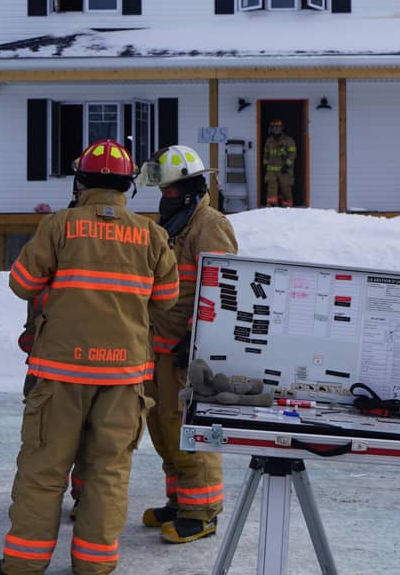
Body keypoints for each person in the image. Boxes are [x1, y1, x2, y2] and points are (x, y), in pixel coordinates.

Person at [0, 140, 179, 575]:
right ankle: (94, 567)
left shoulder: (59, 226)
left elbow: (21, 283)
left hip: (59, 374)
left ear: (81, 181)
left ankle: (23, 567)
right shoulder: (150, 233)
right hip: (124, 377)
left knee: (43, 470)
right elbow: (167, 298)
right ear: (127, 187)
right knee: (107, 474)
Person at [136, 144, 238, 543]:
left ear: (192, 187)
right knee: (162, 428)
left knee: (189, 430)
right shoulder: (171, 225)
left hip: (187, 350)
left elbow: (223, 287)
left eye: (170, 190)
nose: (164, 197)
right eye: (162, 190)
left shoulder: (209, 224)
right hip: (158, 346)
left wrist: (197, 339)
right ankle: (179, 501)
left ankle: (203, 512)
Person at [262, 118, 297, 207]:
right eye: (274, 128)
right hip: (271, 170)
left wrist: (287, 166)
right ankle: (271, 206)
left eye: (278, 128)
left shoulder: (288, 140)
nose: (276, 130)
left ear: (282, 129)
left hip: (284, 170)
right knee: (271, 189)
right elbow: (266, 153)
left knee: (286, 189)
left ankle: (287, 207)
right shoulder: (269, 140)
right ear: (271, 129)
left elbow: (292, 154)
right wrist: (265, 164)